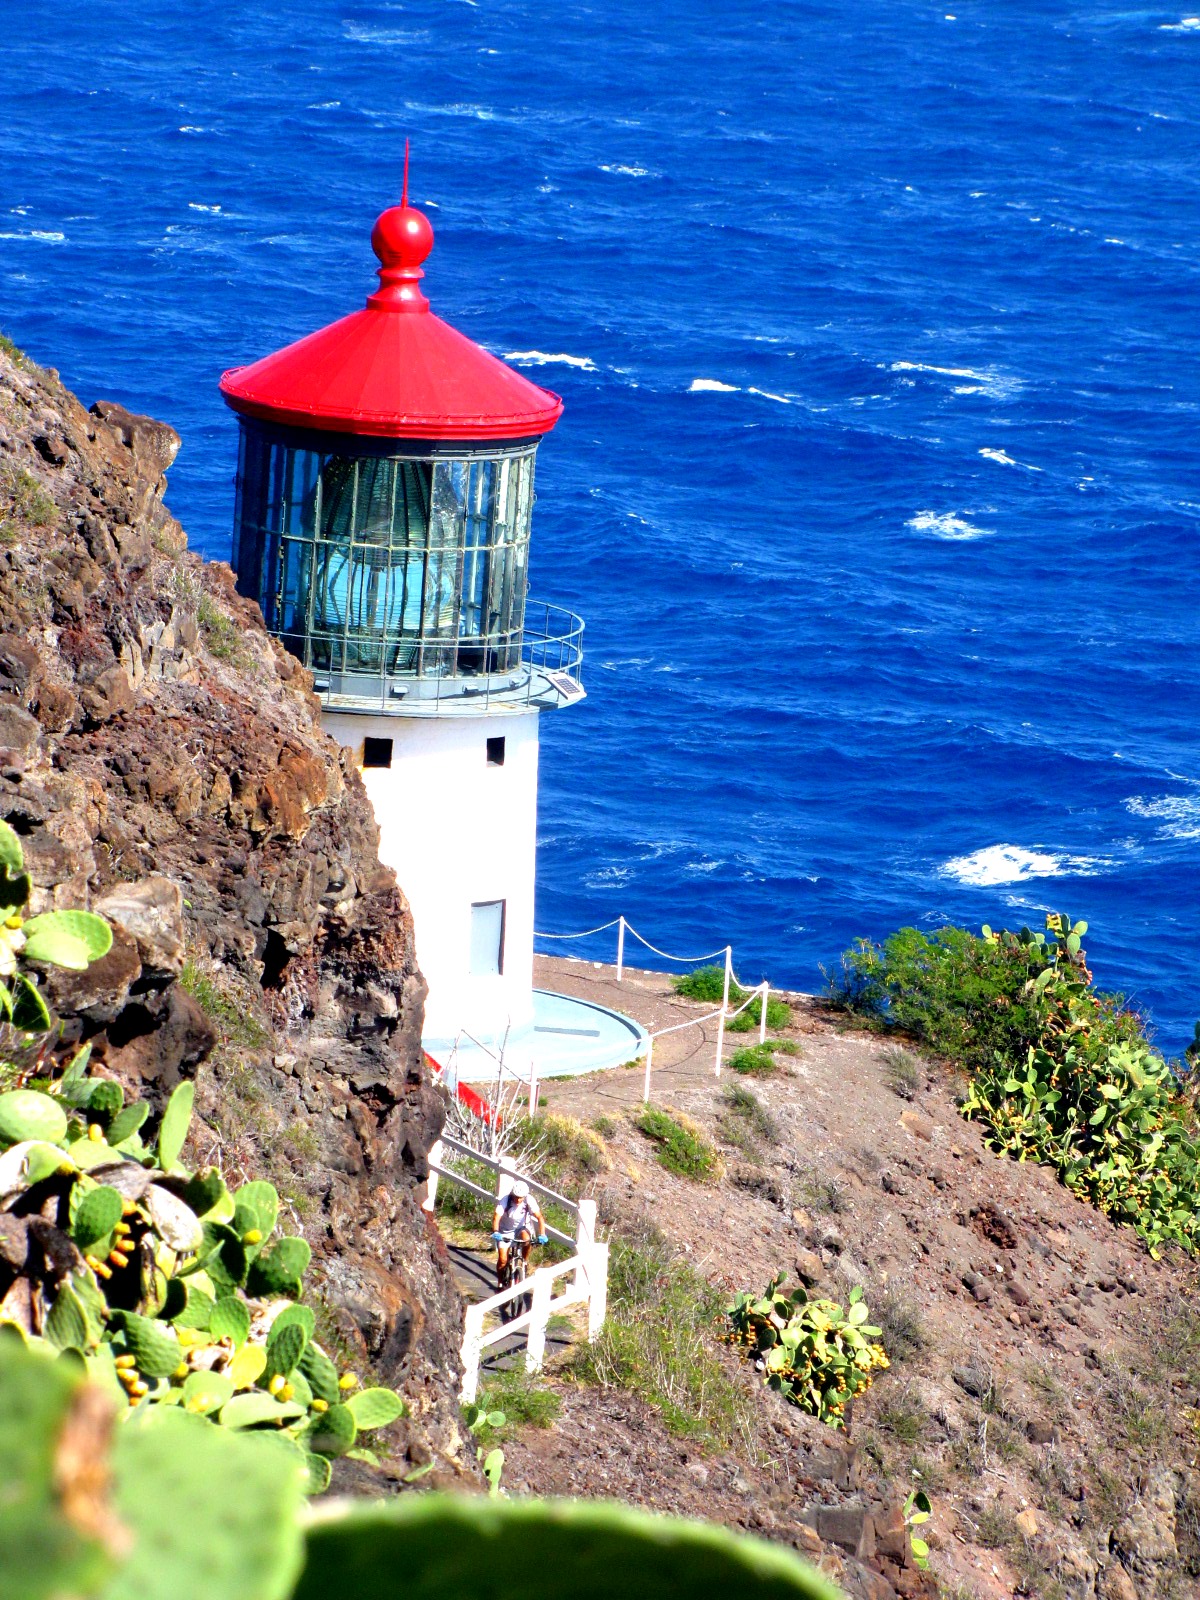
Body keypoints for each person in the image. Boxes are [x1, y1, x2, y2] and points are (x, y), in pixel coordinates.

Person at [491, 1179, 547, 1290]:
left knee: (527, 1240)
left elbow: (539, 1217)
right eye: (516, 1196)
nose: (518, 1199)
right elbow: (496, 1218)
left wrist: (542, 1234)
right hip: (505, 1230)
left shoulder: (529, 1200)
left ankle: (524, 1262)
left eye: (521, 1197)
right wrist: (496, 1232)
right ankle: (500, 1282)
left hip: (522, 1228)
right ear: (512, 1194)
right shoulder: (505, 1200)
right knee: (502, 1260)